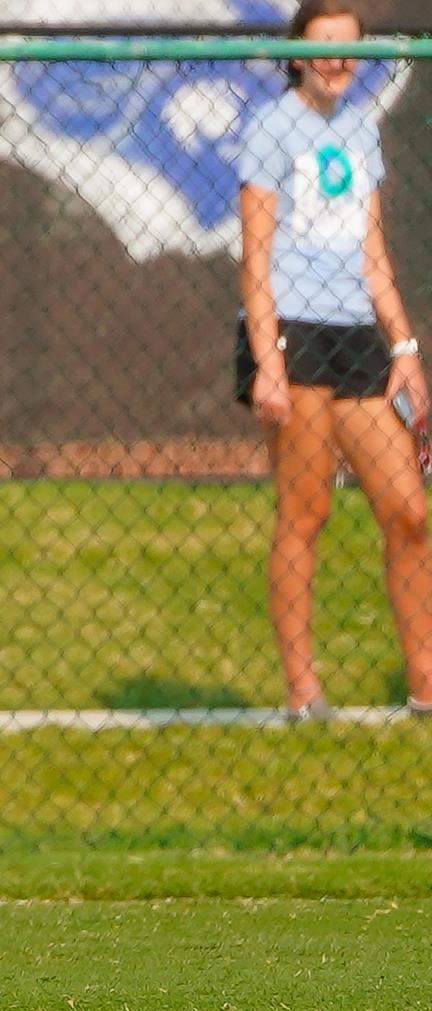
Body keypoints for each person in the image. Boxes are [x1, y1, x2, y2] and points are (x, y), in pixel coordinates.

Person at [236, 0, 432, 720]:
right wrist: (267, 361)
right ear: (297, 54)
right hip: (293, 330)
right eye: (323, 46)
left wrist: (404, 348)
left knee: (408, 511)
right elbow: (255, 254)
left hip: (358, 336)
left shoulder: (359, 129)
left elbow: (371, 250)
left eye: (349, 48)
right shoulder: (270, 129)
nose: (337, 61)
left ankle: (426, 686)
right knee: (306, 511)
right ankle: (302, 689)